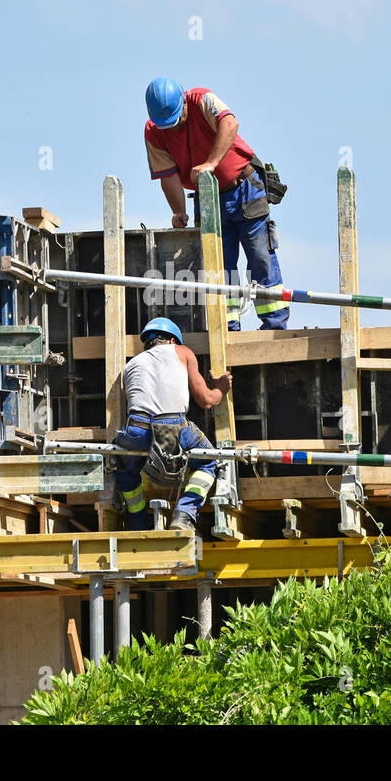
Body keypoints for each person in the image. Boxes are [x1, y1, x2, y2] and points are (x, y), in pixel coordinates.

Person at [143, 77, 289, 330]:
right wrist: (179, 211)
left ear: (184, 102)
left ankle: (275, 326)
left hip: (244, 188)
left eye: (176, 119)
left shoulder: (202, 99)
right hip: (208, 199)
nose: (171, 128)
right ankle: (228, 328)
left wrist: (211, 164)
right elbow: (167, 175)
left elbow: (229, 123)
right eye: (165, 124)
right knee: (219, 267)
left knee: (260, 257)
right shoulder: (153, 131)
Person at [114, 316, 232, 531]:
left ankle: (138, 524)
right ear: (172, 340)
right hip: (172, 425)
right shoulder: (182, 352)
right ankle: (184, 514)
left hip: (135, 428)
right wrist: (221, 387)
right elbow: (207, 401)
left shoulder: (130, 365)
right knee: (209, 461)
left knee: (126, 469)